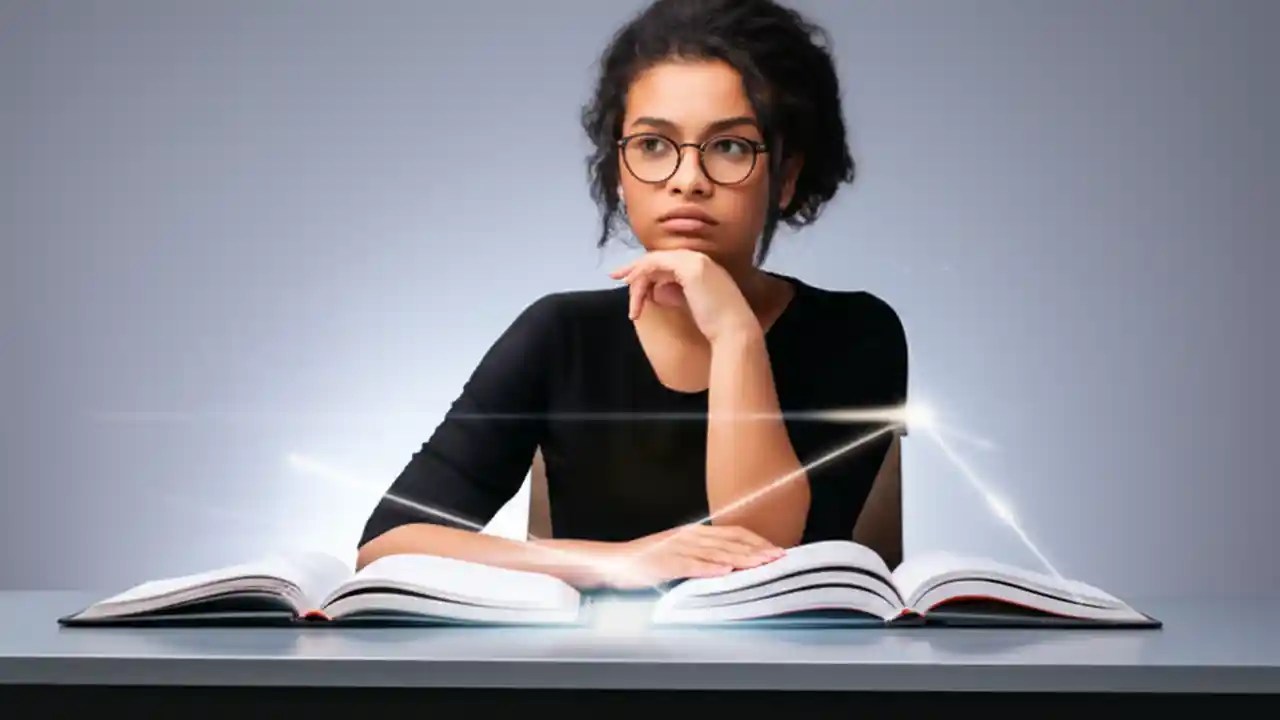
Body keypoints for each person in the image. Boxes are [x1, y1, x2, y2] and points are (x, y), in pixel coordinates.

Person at [355, 0, 909, 590]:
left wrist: (734, 333)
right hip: (591, 674)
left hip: (791, 676)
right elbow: (389, 545)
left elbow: (761, 563)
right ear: (620, 174)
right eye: (652, 145)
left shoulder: (856, 332)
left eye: (729, 147)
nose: (687, 179)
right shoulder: (560, 333)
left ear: (787, 177)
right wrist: (617, 561)